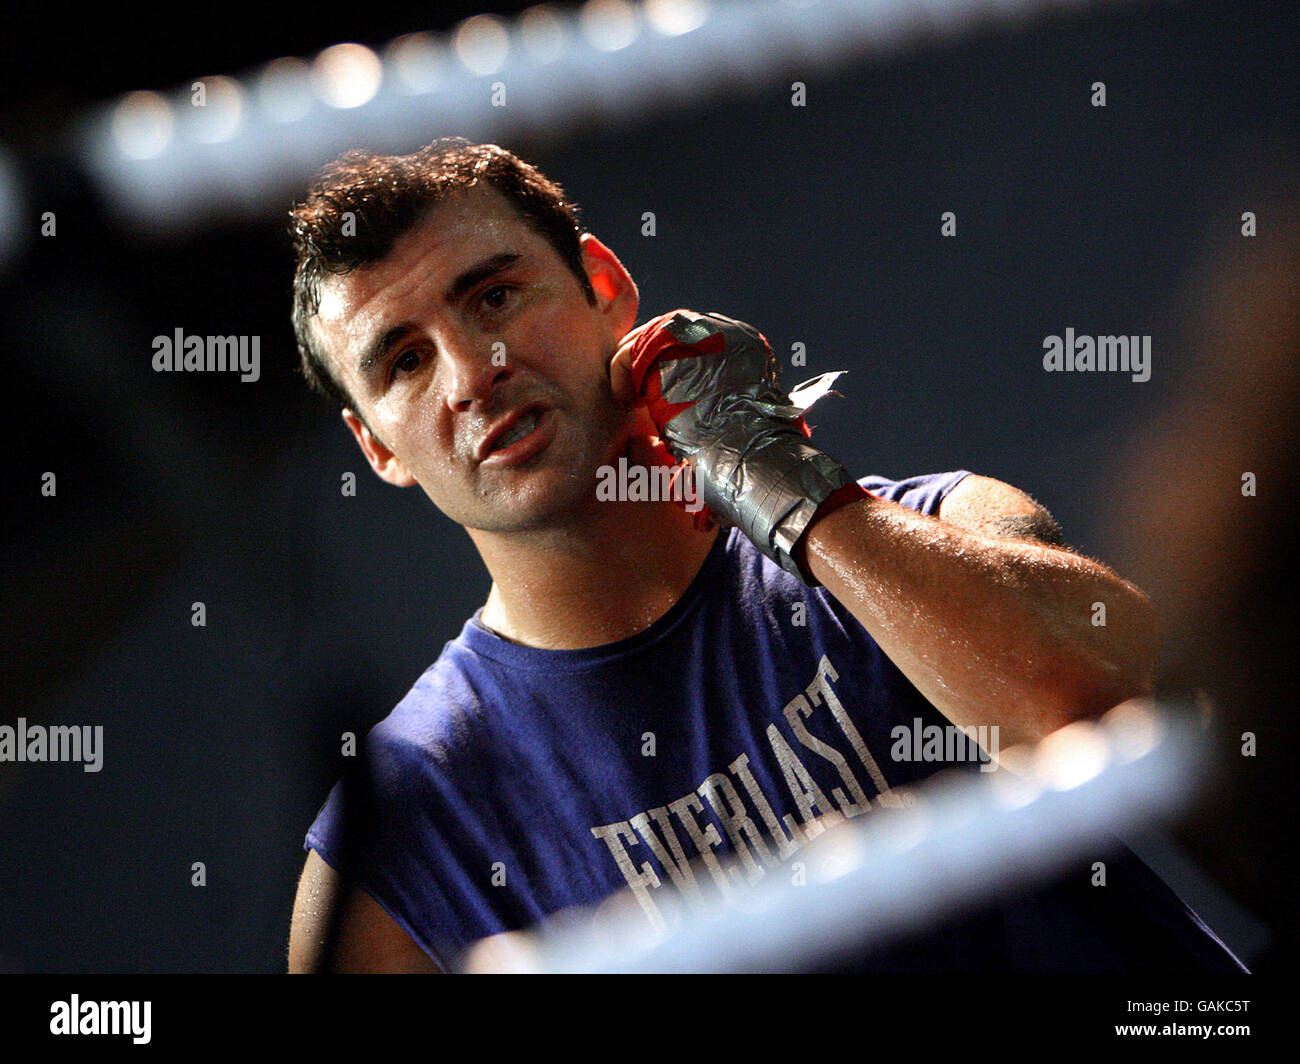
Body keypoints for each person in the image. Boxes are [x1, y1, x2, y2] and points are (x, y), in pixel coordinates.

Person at [285, 138, 1244, 974]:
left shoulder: (947, 523)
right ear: (374, 444)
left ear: (606, 287)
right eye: (403, 360)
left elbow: (1120, 711)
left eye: (493, 295)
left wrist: (785, 485)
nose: (472, 373)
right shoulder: (398, 842)